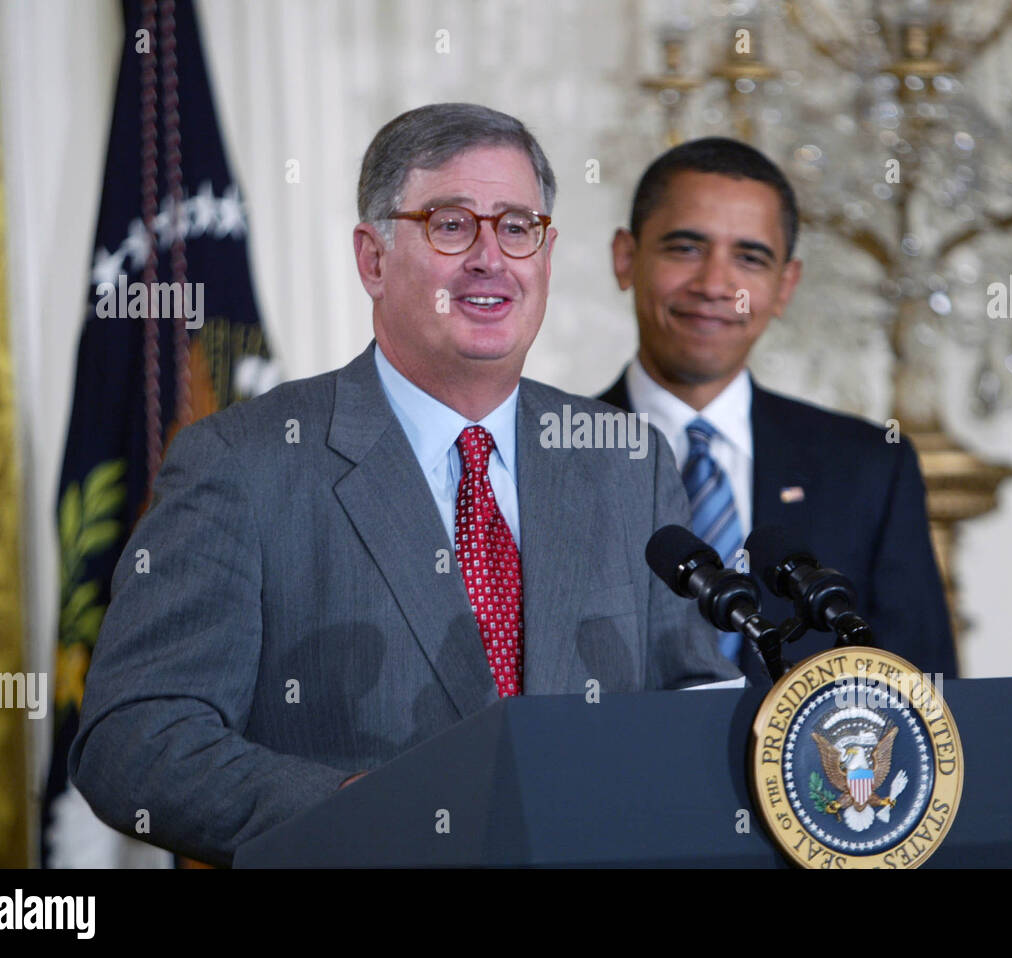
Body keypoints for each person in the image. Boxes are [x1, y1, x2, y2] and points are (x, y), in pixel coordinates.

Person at [70, 104, 738, 867]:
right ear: (373, 259)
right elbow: (135, 740)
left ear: (546, 255)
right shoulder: (239, 463)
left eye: (518, 226)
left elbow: (693, 697)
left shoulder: (626, 457)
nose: (492, 257)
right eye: (451, 224)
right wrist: (369, 813)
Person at [597, 137, 958, 686]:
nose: (715, 285)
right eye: (685, 248)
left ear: (785, 285)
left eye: (750, 257)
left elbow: (925, 693)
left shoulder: (869, 468)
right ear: (626, 258)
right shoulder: (546, 454)